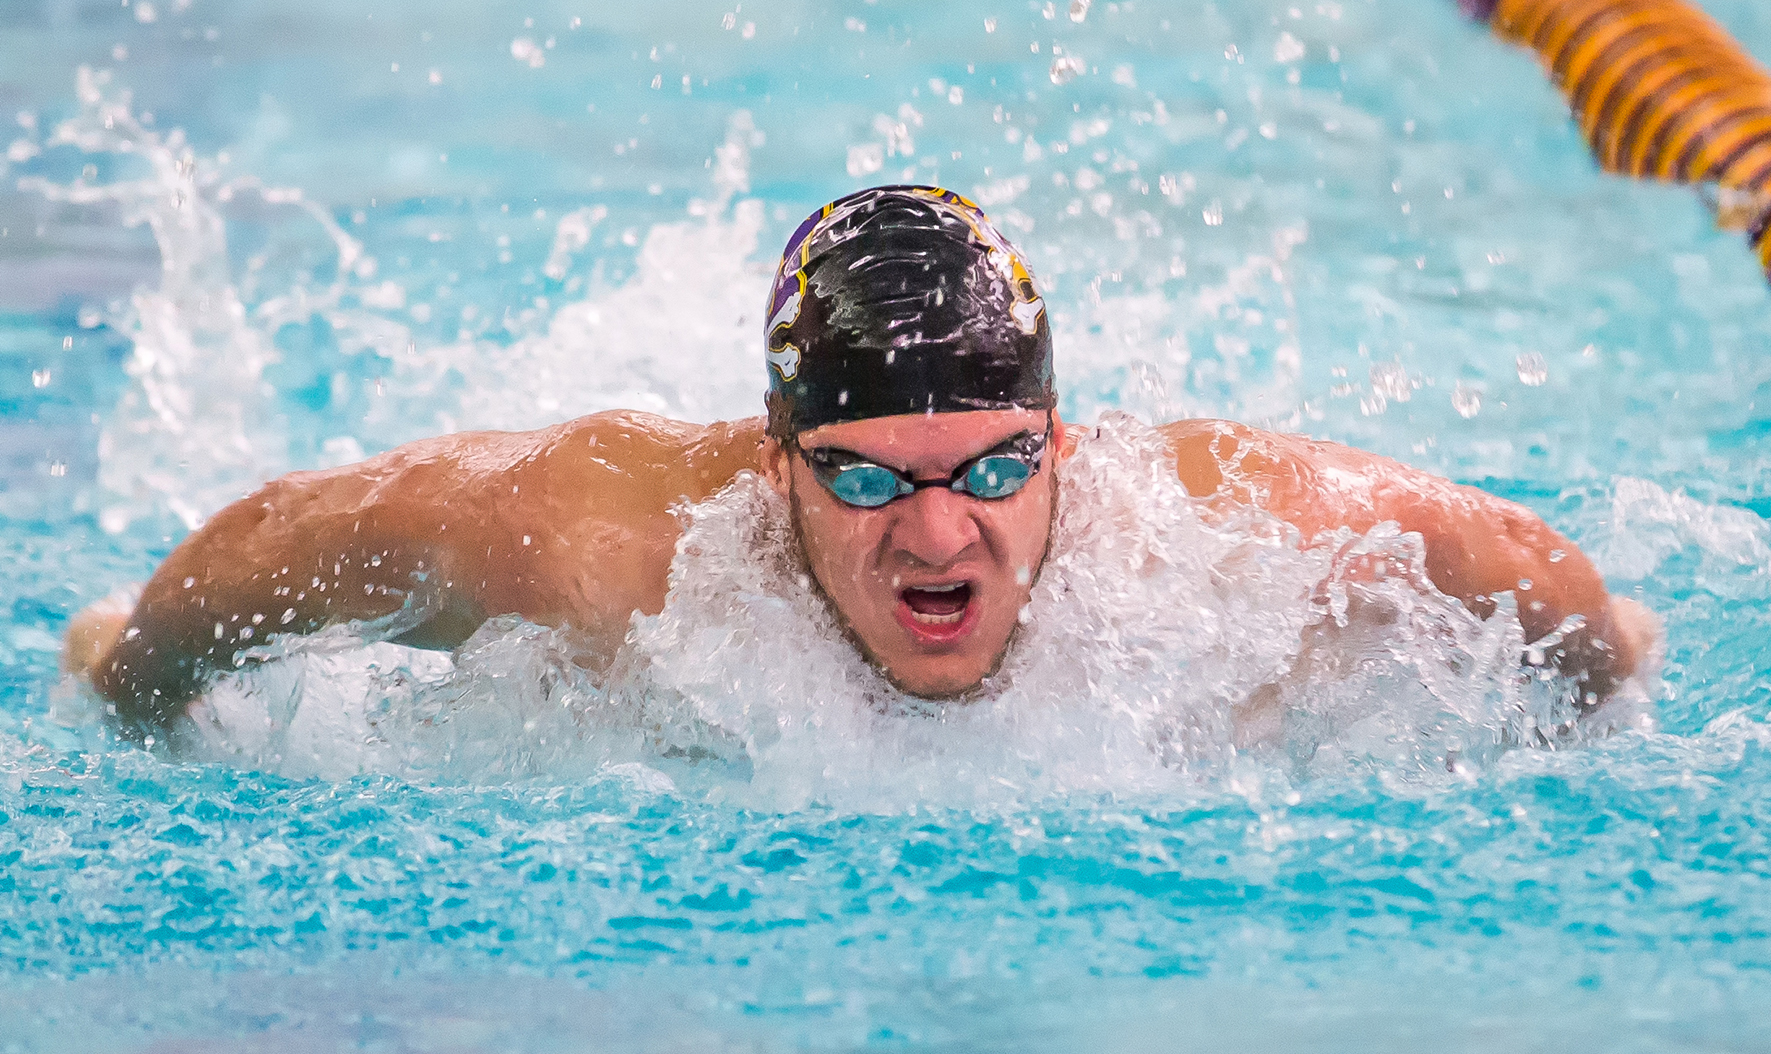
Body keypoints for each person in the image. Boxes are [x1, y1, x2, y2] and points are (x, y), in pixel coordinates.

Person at [63, 185, 1658, 735]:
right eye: (869, 479)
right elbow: (270, 548)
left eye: (988, 467)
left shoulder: (1238, 540)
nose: (940, 538)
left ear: (1062, 447)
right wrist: (133, 682)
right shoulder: (587, 542)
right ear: (774, 470)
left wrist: (1600, 716)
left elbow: (1547, 583)